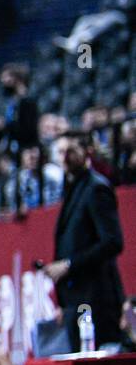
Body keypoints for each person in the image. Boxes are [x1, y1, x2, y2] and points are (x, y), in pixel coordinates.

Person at [44, 136, 126, 350]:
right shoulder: (73, 190)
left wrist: (69, 265)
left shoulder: (96, 188)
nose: (65, 157)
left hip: (97, 298)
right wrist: (63, 302)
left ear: (86, 151)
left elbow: (113, 241)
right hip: (76, 301)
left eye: (70, 150)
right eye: (60, 153)